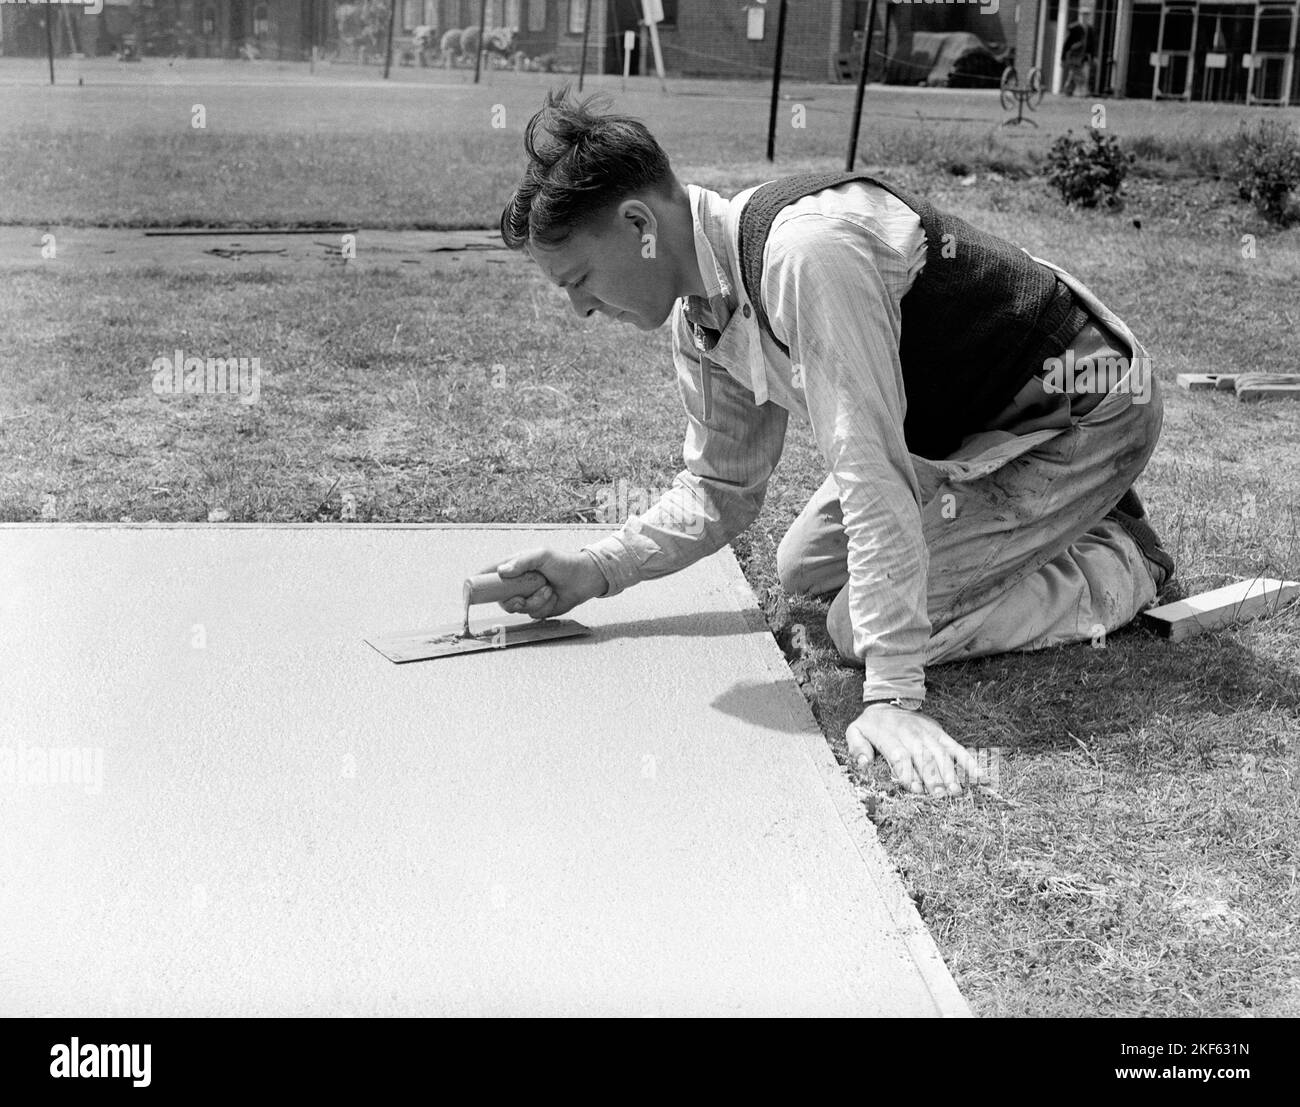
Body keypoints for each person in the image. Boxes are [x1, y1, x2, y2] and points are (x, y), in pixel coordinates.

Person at [484, 89, 1174, 799]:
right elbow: (721, 487)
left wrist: (893, 696)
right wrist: (596, 569)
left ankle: (1123, 558)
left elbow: (870, 472)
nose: (582, 310)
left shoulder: (805, 256)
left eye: (579, 280)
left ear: (638, 224)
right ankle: (1045, 519)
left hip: (1088, 411)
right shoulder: (700, 316)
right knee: (802, 566)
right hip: (966, 433)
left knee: (854, 628)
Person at [1061, 11, 1096, 96]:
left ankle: (1068, 90)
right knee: (1078, 73)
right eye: (1083, 15)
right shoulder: (1073, 28)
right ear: (1080, 16)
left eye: (1087, 16)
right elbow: (1066, 44)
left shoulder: (1090, 29)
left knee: (1074, 73)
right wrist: (1063, 58)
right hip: (1074, 55)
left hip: (1084, 56)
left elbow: (1092, 45)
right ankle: (1082, 92)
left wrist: (1092, 56)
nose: (1085, 18)